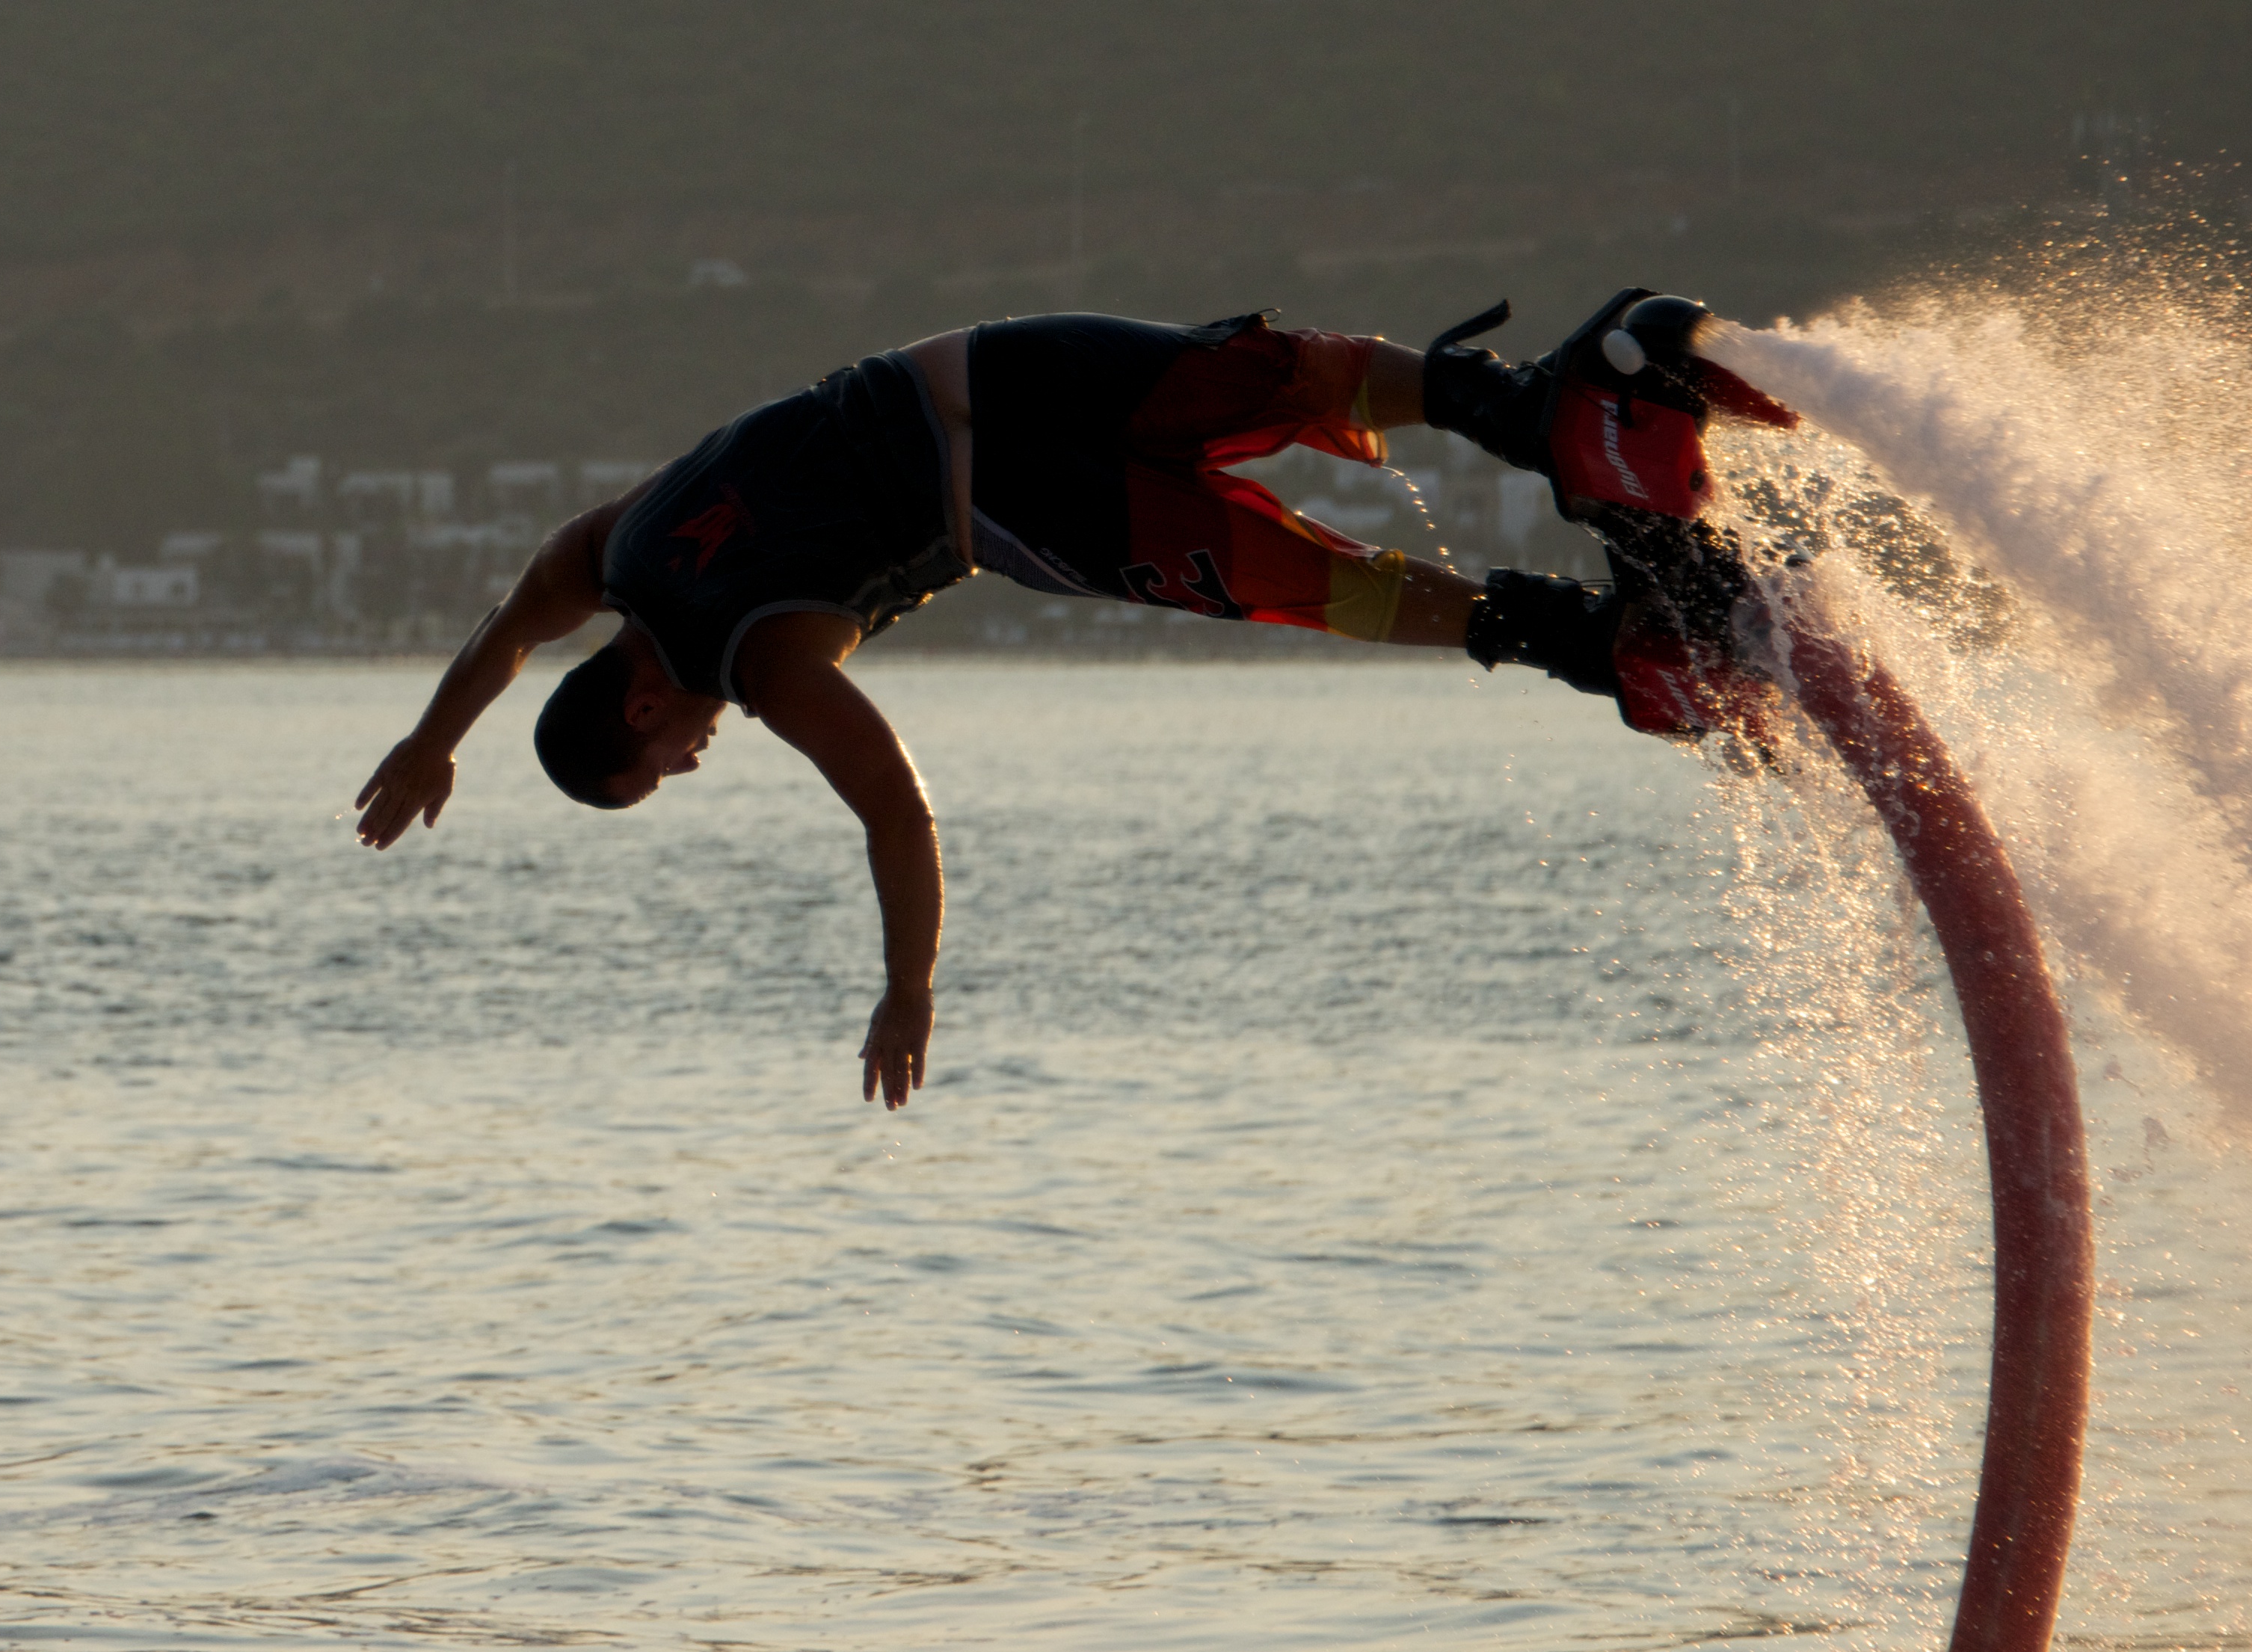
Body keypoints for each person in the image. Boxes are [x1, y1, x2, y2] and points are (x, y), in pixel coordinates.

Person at [354, 299, 1790, 1109]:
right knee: (1270, 377)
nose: (689, 763)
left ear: (639, 705)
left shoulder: (762, 663)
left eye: (658, 767)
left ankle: (1595, 646)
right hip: (988, 363)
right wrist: (429, 740)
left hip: (1021, 500)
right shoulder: (601, 555)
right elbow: (503, 630)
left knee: (1299, 581)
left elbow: (898, 817)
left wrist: (908, 988)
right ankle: (1563, 400)